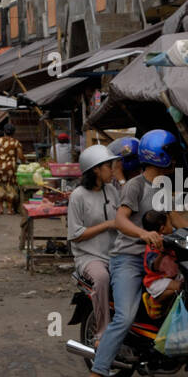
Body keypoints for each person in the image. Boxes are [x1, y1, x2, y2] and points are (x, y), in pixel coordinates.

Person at [84, 130, 188, 377]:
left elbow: (175, 218)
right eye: (171, 154)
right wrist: (143, 235)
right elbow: (121, 220)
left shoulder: (165, 187)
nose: (175, 160)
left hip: (158, 258)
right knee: (125, 316)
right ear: (158, 155)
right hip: (129, 258)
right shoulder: (136, 185)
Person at [67, 143, 121, 341]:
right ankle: (102, 332)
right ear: (96, 169)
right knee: (102, 278)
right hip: (89, 257)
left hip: (115, 253)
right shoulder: (78, 196)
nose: (112, 170)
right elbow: (76, 233)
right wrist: (107, 224)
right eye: (109, 166)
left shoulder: (112, 191)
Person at [140, 210, 181, 318]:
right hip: (156, 280)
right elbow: (154, 267)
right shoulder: (153, 246)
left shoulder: (172, 236)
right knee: (181, 287)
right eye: (170, 224)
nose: (172, 227)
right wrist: (162, 253)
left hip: (171, 276)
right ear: (162, 229)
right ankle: (153, 300)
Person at [0, 122, 25, 215]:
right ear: (13, 132)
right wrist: (24, 163)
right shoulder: (15, 142)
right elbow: (21, 156)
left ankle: (1, 208)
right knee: (10, 187)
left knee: (0, 187)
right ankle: (10, 209)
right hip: (10, 167)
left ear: (4, 131)